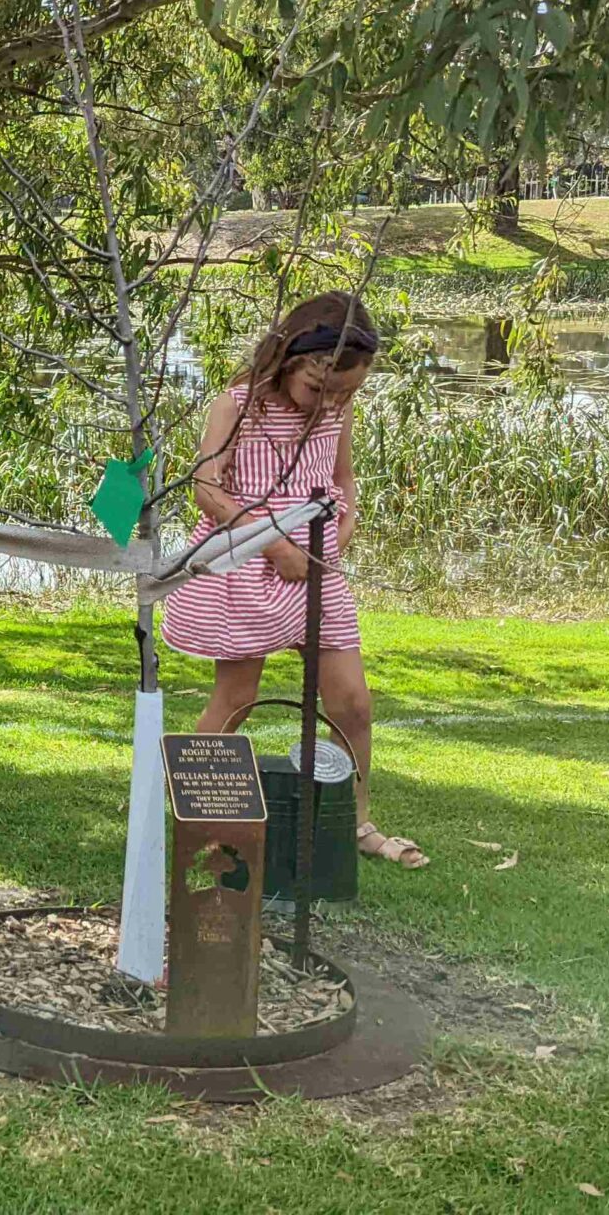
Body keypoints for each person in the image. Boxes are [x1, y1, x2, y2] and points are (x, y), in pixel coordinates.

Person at [163, 294, 424, 869]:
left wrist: (342, 530)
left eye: (346, 393)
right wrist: (273, 543)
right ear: (289, 357)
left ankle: (350, 823)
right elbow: (206, 488)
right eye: (320, 387)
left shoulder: (336, 409)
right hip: (251, 561)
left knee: (351, 703)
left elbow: (341, 480)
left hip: (317, 570)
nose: (330, 402)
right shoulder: (236, 405)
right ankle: (201, 823)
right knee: (238, 698)